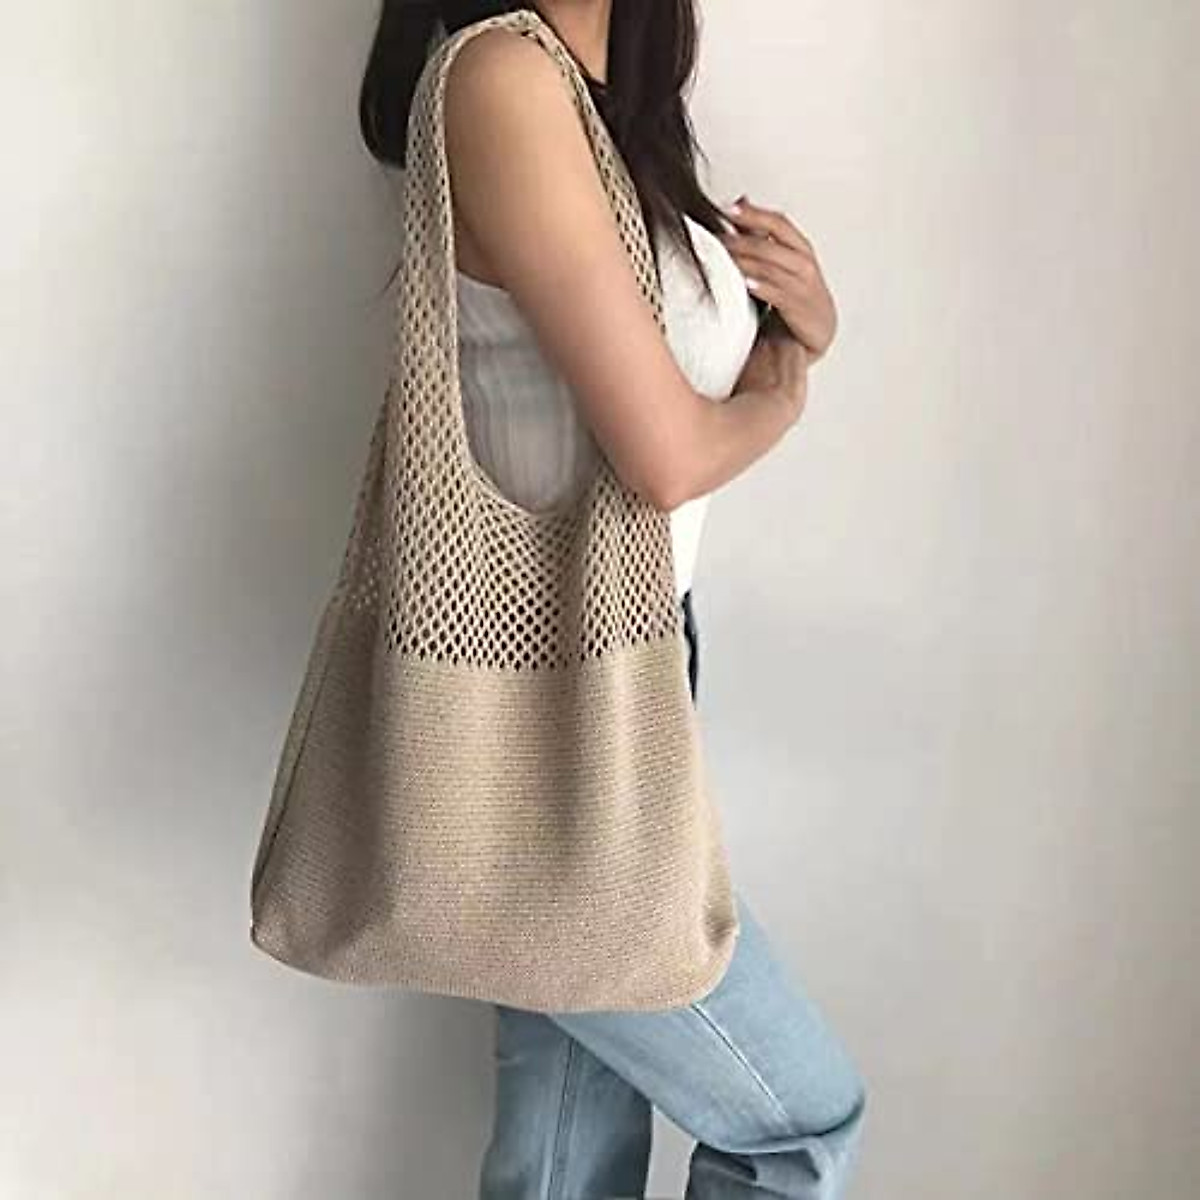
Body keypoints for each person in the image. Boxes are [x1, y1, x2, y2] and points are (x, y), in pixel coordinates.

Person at [359, 3, 868, 1196]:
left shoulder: (610, 109)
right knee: (798, 1123)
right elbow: (668, 456)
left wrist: (799, 327)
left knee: (565, 1146)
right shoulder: (504, 78)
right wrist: (785, 385)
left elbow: (655, 404)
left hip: (630, 665)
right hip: (544, 711)